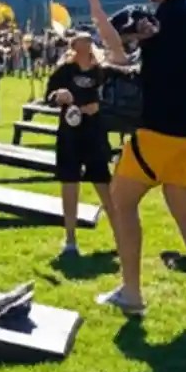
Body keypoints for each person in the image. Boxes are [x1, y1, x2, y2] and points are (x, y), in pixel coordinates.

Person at [87, 0, 186, 321]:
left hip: (159, 130)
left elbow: (120, 44)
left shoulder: (157, 20)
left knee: (120, 202)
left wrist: (99, 7)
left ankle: (132, 291)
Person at [45, 32, 115, 257]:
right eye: (76, 46)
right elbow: (49, 97)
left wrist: (97, 107)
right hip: (69, 136)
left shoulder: (101, 73)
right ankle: (70, 240)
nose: (80, 50)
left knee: (105, 186)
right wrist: (59, 96)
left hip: (94, 135)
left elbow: (113, 102)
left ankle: (121, 235)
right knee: (69, 185)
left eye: (85, 45)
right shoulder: (64, 72)